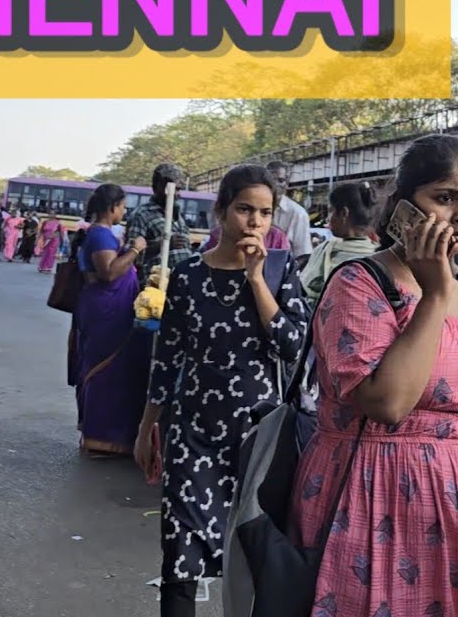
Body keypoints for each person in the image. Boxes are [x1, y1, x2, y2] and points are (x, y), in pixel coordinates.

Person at [290, 134, 458, 617]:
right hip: (368, 499)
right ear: (404, 207)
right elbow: (388, 403)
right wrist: (433, 295)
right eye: (444, 196)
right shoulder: (358, 284)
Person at [133, 165, 308, 617]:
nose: (254, 222)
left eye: (265, 213)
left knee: (255, 556)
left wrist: (256, 280)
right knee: (181, 560)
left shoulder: (280, 271)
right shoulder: (188, 277)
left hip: (258, 440)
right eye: (244, 209)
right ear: (221, 212)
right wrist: (147, 428)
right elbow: (167, 360)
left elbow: (293, 345)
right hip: (194, 435)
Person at [73, 184, 148, 456]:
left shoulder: (99, 234)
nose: (124, 211)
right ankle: (101, 436)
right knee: (105, 370)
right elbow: (108, 272)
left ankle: (106, 433)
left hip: (107, 307)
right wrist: (136, 250)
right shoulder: (101, 235)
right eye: (123, 206)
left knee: (113, 369)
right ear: (113, 207)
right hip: (105, 310)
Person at [299, 181, 379, 300]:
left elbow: (303, 289)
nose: (328, 218)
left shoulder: (324, 250)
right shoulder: (380, 256)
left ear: (343, 213)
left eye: (331, 211)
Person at [126, 163, 194, 284]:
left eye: (178, 189)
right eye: (170, 188)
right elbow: (131, 257)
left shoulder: (178, 215)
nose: (174, 193)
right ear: (156, 187)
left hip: (181, 284)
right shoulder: (141, 214)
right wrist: (163, 245)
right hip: (155, 286)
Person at [265, 160, 313, 260]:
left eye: (280, 180)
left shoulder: (298, 214)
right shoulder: (254, 208)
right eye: (270, 181)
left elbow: (303, 255)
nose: (275, 185)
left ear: (287, 183)